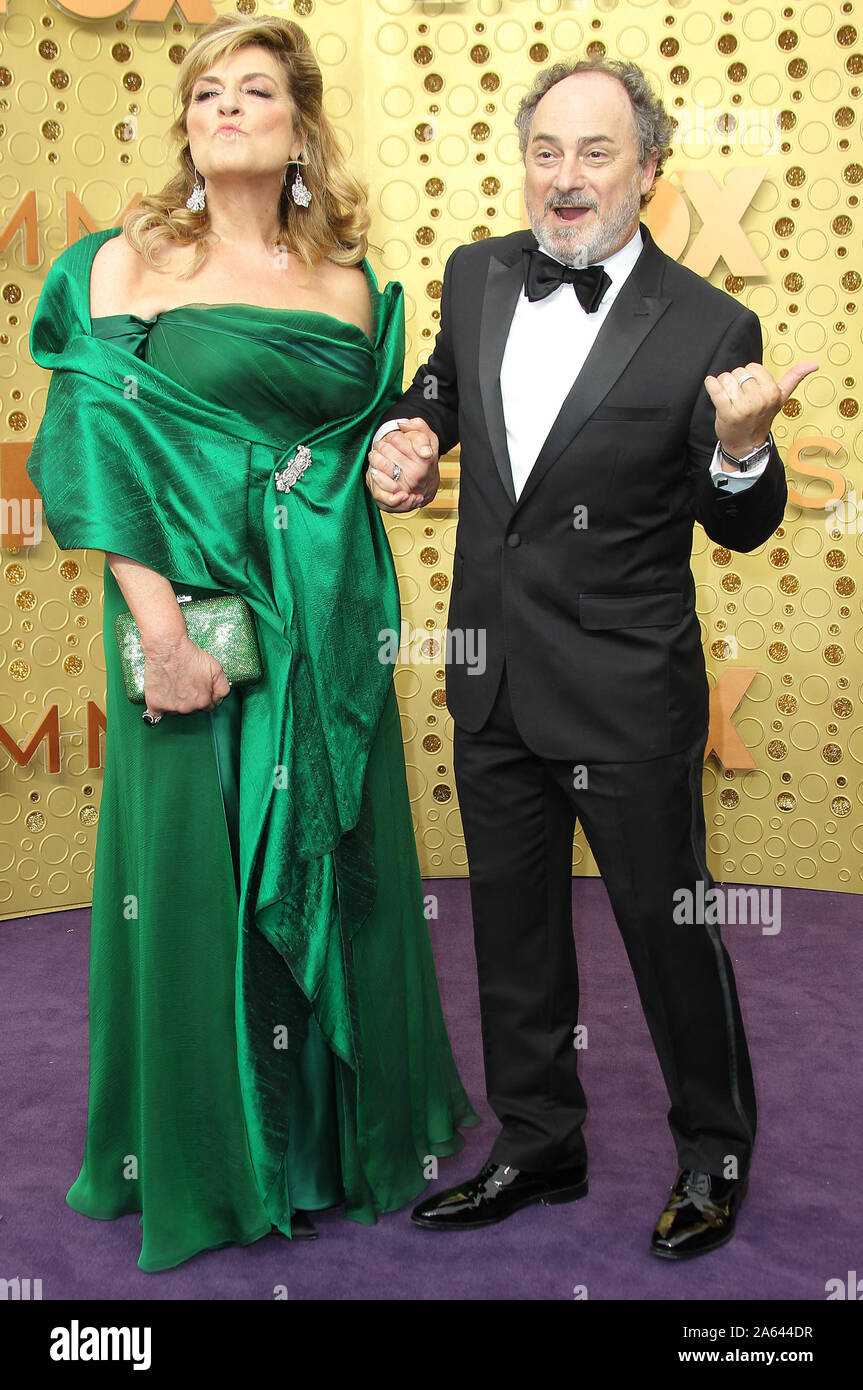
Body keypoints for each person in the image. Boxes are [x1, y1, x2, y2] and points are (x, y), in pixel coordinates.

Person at [26, 13, 478, 1274]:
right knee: (191, 879)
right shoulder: (123, 264)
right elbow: (97, 448)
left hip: (321, 626)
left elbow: (363, 454)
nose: (225, 107)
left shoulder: (346, 286)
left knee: (339, 859)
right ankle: (219, 1156)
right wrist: (161, 632)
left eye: (255, 91)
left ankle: (332, 1144)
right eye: (206, 91)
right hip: (191, 627)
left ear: (298, 126)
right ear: (185, 123)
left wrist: (401, 455)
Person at [367, 57, 816, 1259]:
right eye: (546, 152)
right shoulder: (469, 276)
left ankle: (712, 1154)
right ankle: (535, 1144)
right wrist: (407, 441)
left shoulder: (712, 324)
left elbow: (738, 521)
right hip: (493, 683)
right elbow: (437, 404)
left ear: (648, 172)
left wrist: (738, 448)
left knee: (669, 936)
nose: (565, 180)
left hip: (624, 696)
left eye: (595, 153)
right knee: (510, 935)